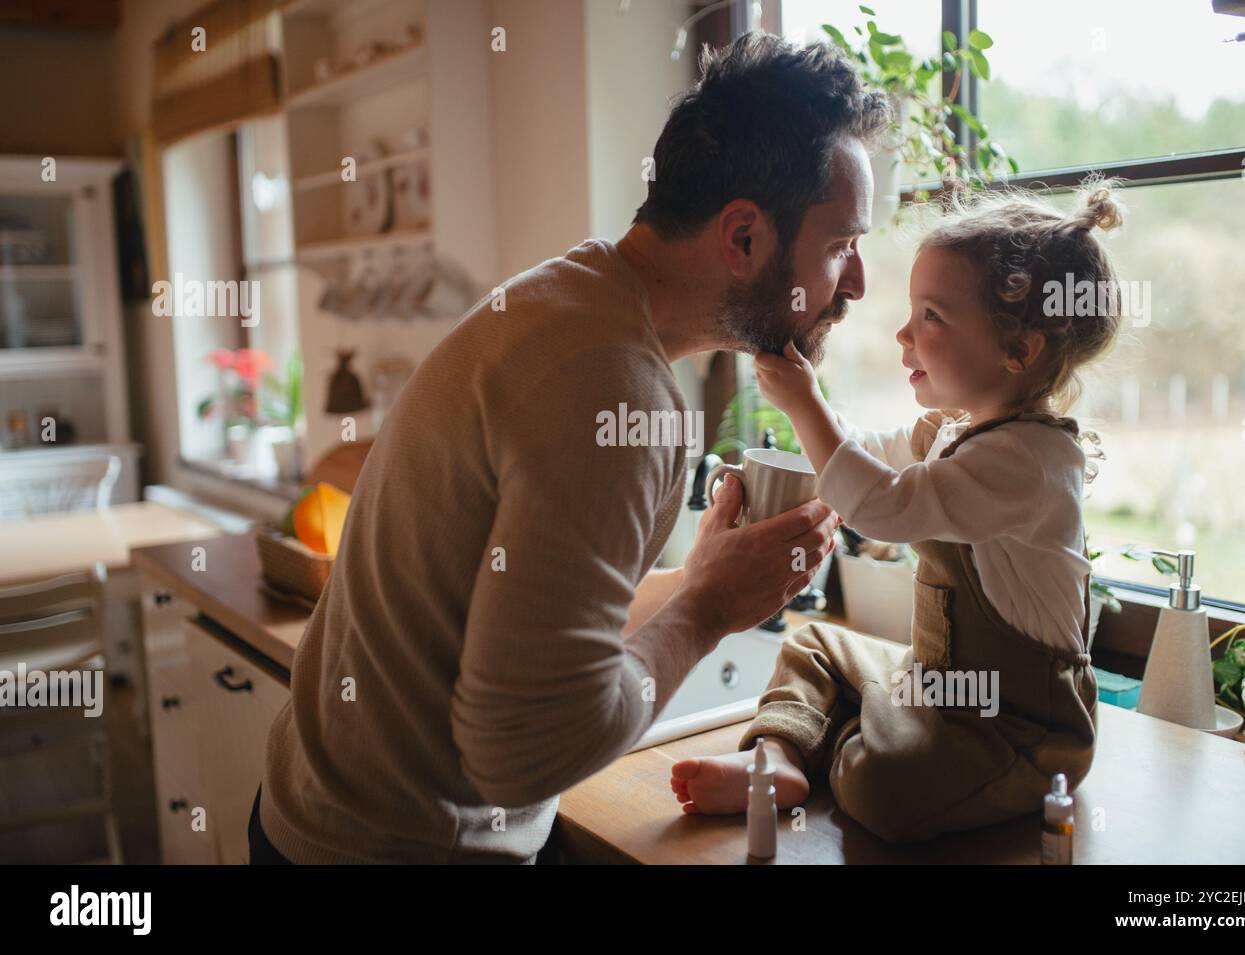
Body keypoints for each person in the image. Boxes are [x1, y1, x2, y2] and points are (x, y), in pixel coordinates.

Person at [250, 32, 889, 863]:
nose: (858, 282)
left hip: (318, 812)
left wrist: (699, 581)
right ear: (742, 237)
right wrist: (707, 609)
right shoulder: (615, 388)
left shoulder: (577, 297)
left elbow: (536, 624)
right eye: (841, 244)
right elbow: (520, 751)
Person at [671, 179, 1125, 843]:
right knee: (812, 641)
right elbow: (860, 456)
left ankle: (821, 743)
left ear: (1018, 348)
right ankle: (776, 760)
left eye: (932, 316)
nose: (903, 331)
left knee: (880, 789)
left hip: (1018, 732)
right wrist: (806, 392)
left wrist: (805, 403)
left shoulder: (1027, 463)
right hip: (937, 689)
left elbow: (884, 506)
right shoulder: (957, 430)